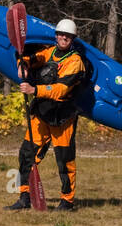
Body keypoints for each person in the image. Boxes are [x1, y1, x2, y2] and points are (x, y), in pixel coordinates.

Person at [7, 18, 87, 213]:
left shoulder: (75, 61)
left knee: (64, 160)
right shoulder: (49, 52)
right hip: (41, 113)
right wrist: (22, 63)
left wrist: (34, 90)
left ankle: (67, 201)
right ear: (56, 36)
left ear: (72, 38)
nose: (63, 38)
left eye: (67, 36)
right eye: (60, 34)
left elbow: (60, 89)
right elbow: (31, 59)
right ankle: (24, 196)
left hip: (63, 117)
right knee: (26, 154)